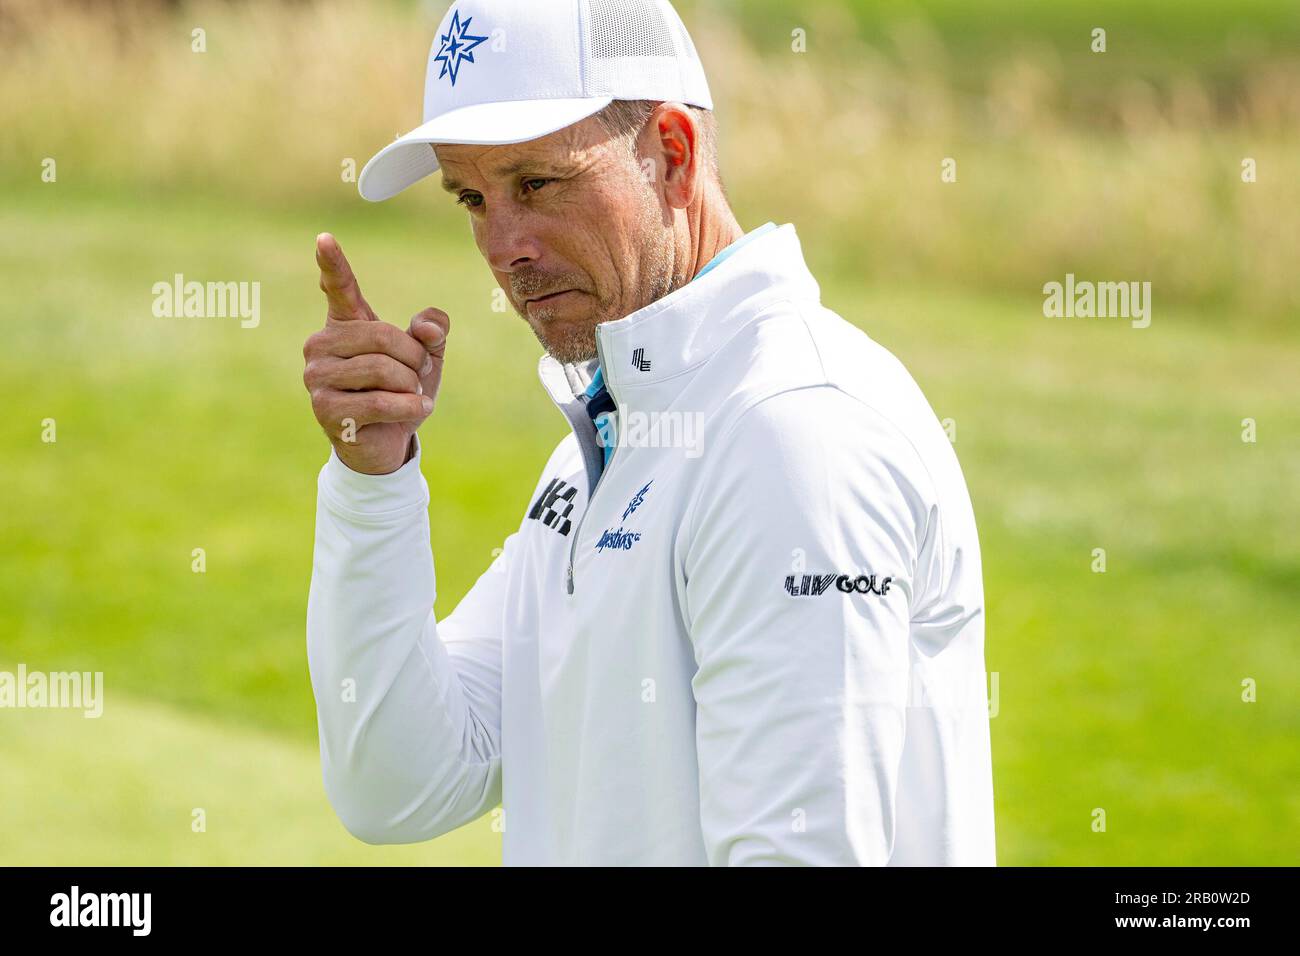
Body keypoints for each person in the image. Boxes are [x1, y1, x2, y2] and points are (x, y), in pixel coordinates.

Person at [302, 0, 996, 865]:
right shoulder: (610, 438)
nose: (504, 247)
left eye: (537, 183)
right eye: (473, 199)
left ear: (672, 153)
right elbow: (398, 781)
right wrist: (373, 483)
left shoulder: (793, 430)